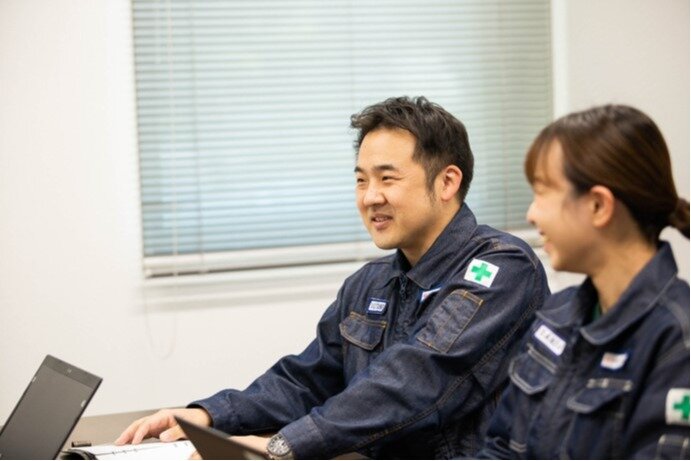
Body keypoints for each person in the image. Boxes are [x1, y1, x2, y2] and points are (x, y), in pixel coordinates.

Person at [116, 96, 549, 459]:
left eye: (387, 178)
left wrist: (282, 446)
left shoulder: (501, 268)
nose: (370, 197)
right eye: (361, 181)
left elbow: (413, 380)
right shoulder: (370, 282)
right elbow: (309, 378)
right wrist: (209, 416)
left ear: (447, 182)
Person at [478, 104, 690, 459]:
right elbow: (501, 449)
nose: (531, 214)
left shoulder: (676, 341)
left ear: (598, 206)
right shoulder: (556, 316)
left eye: (542, 192)